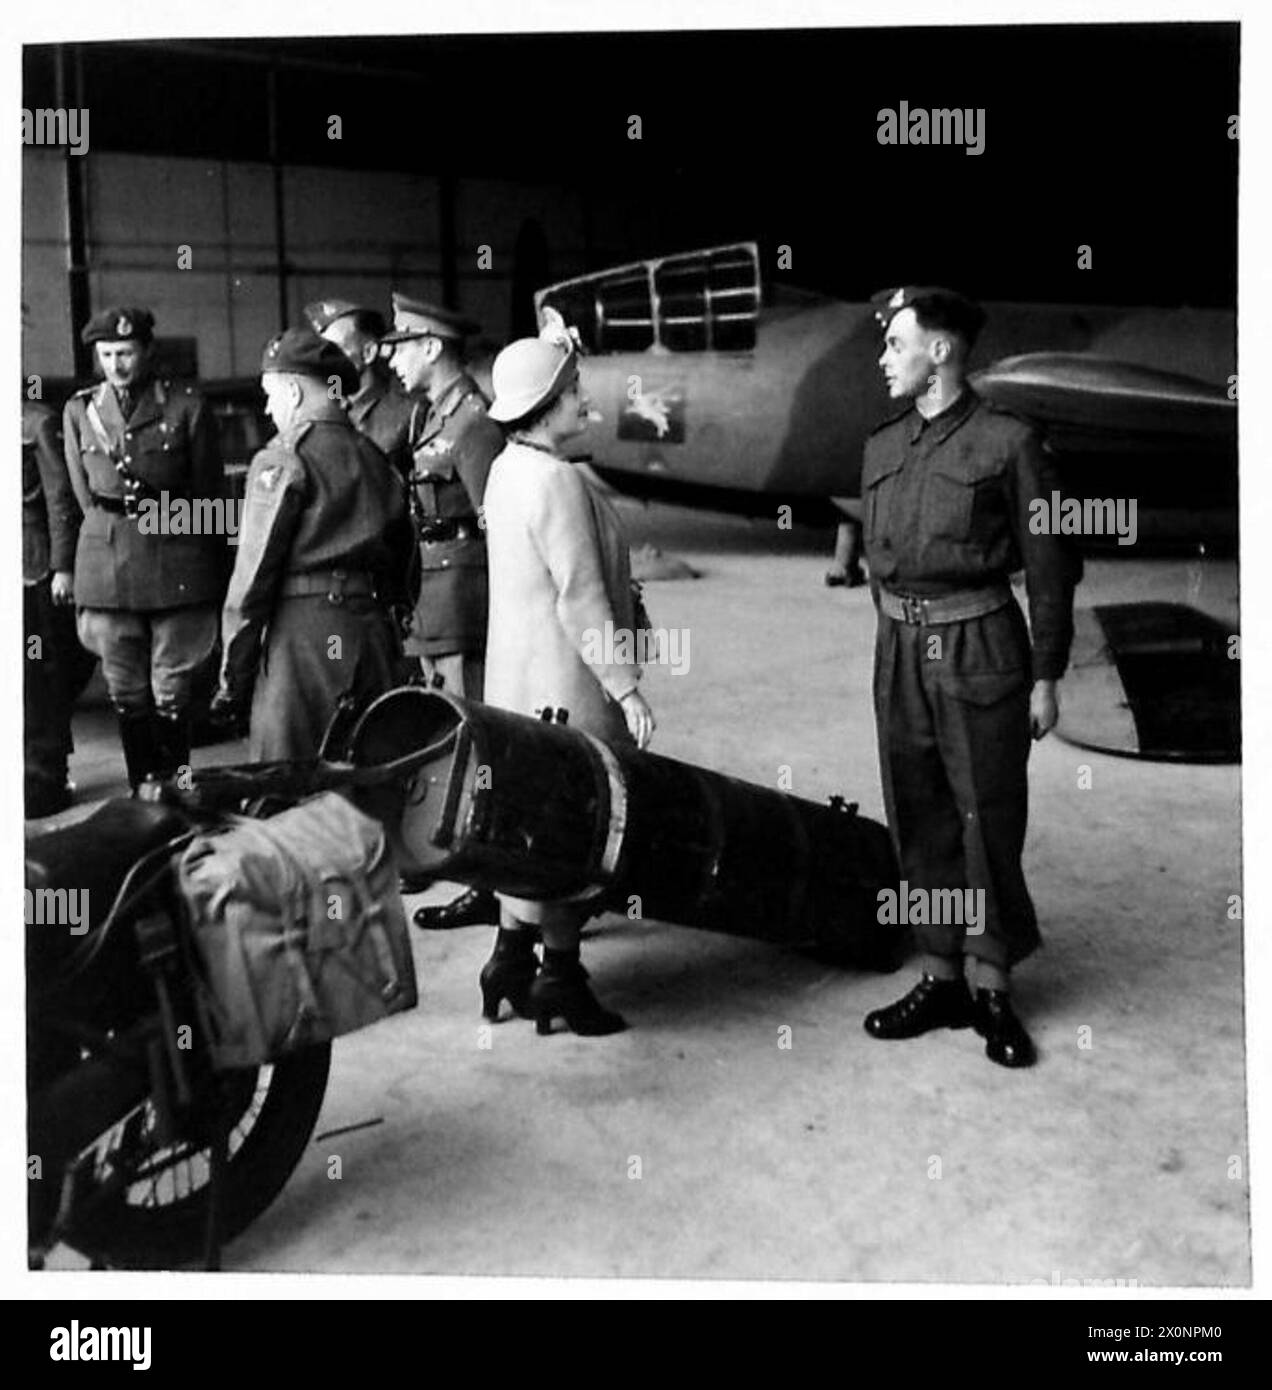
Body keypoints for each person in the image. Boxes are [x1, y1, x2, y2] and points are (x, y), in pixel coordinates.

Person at [859, 286, 1079, 1068]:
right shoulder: (882, 445)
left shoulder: (1010, 443)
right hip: (899, 648)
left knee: (985, 816)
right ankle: (941, 972)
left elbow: (1052, 568)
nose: (884, 360)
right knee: (918, 814)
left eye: (896, 345)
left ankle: (993, 985)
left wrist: (1047, 672)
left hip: (980, 645)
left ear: (941, 352)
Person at [476, 320, 655, 1037]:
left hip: (517, 684)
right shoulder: (556, 482)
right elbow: (580, 598)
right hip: (566, 687)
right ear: (545, 406)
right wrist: (626, 687)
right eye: (575, 392)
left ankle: (508, 962)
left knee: (522, 828)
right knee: (572, 831)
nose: (586, 403)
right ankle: (560, 979)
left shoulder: (506, 467)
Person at [214, 328, 410, 761]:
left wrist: (234, 678)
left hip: (304, 644)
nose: (267, 408)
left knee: (285, 784)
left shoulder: (283, 457)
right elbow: (406, 563)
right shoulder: (376, 457)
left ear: (293, 392)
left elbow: (251, 582)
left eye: (270, 395)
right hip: (372, 636)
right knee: (366, 780)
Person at [62, 306, 225, 789]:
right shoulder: (80, 411)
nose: (117, 364)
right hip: (107, 563)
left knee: (172, 688)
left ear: (147, 352)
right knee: (126, 690)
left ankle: (177, 790)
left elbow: (210, 497)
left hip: (177, 563)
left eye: (127, 353)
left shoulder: (187, 406)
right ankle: (141, 791)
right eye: (108, 354)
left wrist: (212, 566)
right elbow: (82, 498)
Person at [381, 293, 505, 927]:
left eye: (401, 346)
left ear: (431, 347)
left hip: (463, 592)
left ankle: (489, 880)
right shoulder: (430, 415)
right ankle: (463, 860)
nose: (392, 361)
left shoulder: (473, 421)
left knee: (472, 736)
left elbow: (496, 525)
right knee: (444, 727)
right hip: (432, 588)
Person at [23, 398, 81, 816]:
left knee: (40, 674)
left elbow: (60, 499)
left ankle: (46, 773)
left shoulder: (37, 422)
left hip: (33, 567)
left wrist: (63, 566)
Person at [303, 298, 414, 482]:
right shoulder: (319, 411)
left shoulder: (407, 413)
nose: (326, 361)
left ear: (368, 353)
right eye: (324, 353)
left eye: (337, 350)